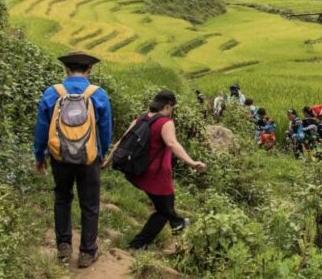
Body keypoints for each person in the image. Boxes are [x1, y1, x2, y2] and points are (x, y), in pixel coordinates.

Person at [34, 51, 112, 268]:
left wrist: (39, 156)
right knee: (90, 204)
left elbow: (41, 128)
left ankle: (64, 247)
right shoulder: (98, 94)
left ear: (66, 69)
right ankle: (87, 252)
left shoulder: (53, 93)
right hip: (89, 158)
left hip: (59, 157)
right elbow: (105, 130)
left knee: (62, 198)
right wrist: (101, 154)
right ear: (90, 70)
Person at [126, 90, 206, 250]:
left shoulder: (140, 118)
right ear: (168, 106)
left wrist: (107, 160)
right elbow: (172, 143)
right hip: (158, 176)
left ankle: (178, 224)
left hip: (139, 172)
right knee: (164, 210)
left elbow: (124, 139)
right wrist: (192, 162)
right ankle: (138, 244)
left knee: (165, 208)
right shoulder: (165, 122)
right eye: (173, 107)